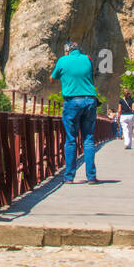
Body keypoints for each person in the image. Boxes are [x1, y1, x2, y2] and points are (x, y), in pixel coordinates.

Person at [50, 40, 99, 184]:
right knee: (88, 139)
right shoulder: (87, 59)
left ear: (67, 51)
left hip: (72, 102)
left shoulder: (63, 60)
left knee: (71, 139)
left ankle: (69, 176)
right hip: (90, 100)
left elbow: (53, 78)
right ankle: (91, 176)